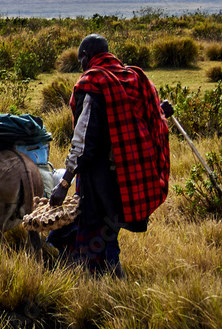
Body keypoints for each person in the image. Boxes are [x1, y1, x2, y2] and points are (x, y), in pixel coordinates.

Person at [49, 34, 173, 277]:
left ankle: (100, 275)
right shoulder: (134, 76)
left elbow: (84, 138)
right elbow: (136, 118)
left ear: (87, 57)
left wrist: (65, 182)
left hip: (100, 173)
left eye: (81, 60)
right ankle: (100, 269)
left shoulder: (93, 82)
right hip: (129, 173)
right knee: (110, 224)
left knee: (95, 221)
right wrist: (161, 111)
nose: (82, 66)